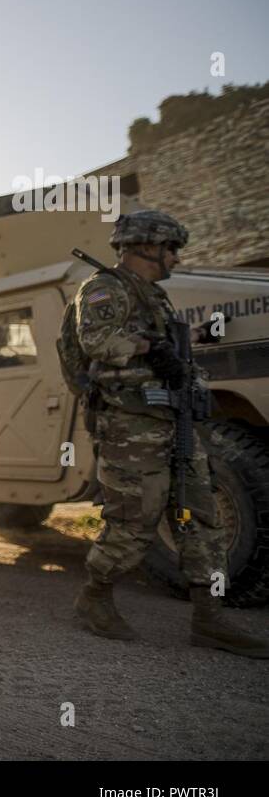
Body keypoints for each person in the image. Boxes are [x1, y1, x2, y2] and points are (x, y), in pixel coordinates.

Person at [70, 209, 267, 658]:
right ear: (144, 247)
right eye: (171, 248)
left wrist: (184, 345)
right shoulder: (103, 289)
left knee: (203, 516)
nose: (176, 258)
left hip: (175, 421)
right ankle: (94, 596)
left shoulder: (156, 298)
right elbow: (97, 343)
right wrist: (149, 348)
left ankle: (209, 619)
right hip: (130, 426)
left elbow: (165, 350)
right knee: (135, 523)